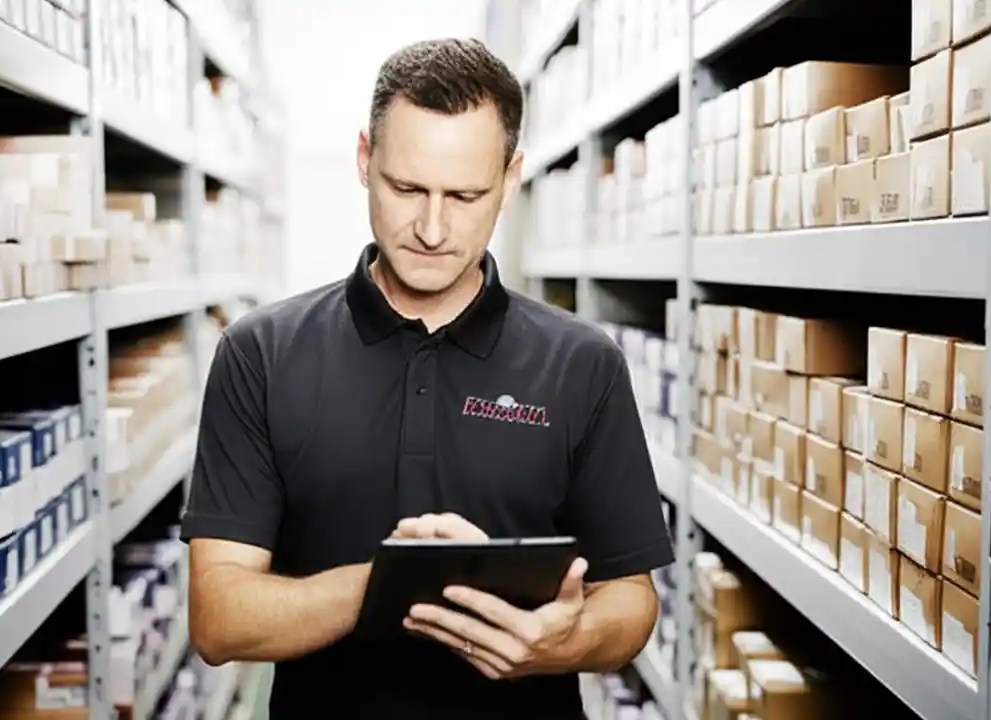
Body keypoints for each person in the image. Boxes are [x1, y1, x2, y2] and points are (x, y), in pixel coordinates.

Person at [182, 38, 673, 718]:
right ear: (365, 160)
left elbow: (632, 599)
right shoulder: (259, 354)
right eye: (407, 188)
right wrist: (405, 580)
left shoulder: (583, 363)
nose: (433, 228)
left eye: (466, 195)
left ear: (510, 179)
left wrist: (560, 642)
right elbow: (219, 619)